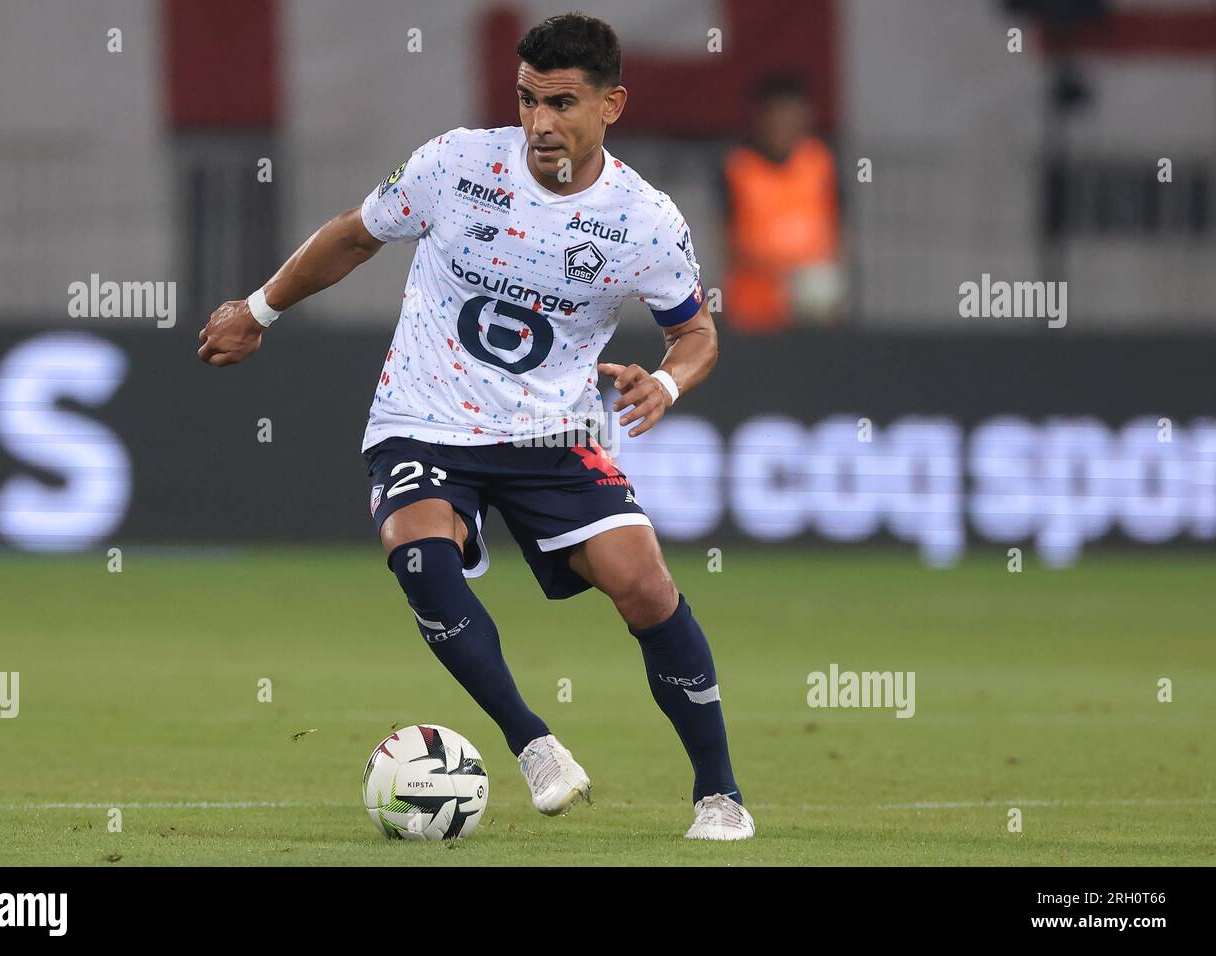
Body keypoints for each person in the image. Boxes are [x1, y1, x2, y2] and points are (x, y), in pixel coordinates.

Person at [197, 13, 752, 840]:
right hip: (424, 414)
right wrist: (261, 309)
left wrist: (668, 381)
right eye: (528, 99)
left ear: (612, 105)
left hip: (552, 434)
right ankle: (531, 742)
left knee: (643, 583)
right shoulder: (457, 164)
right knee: (418, 552)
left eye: (562, 103)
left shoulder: (643, 220)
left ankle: (720, 795)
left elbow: (696, 332)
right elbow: (354, 237)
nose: (540, 122)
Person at [723, 73, 843, 331]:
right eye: (775, 115)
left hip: (814, 312)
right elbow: (728, 242)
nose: (783, 124)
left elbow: (838, 234)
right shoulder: (739, 167)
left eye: (791, 114)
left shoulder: (821, 163)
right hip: (753, 313)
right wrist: (780, 267)